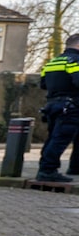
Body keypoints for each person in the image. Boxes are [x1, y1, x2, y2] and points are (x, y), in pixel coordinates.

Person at [35, 33, 79, 183]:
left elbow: (43, 84)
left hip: (52, 105)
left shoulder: (51, 62)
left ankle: (46, 168)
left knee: (53, 138)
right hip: (70, 106)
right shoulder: (75, 61)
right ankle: (48, 170)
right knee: (60, 139)